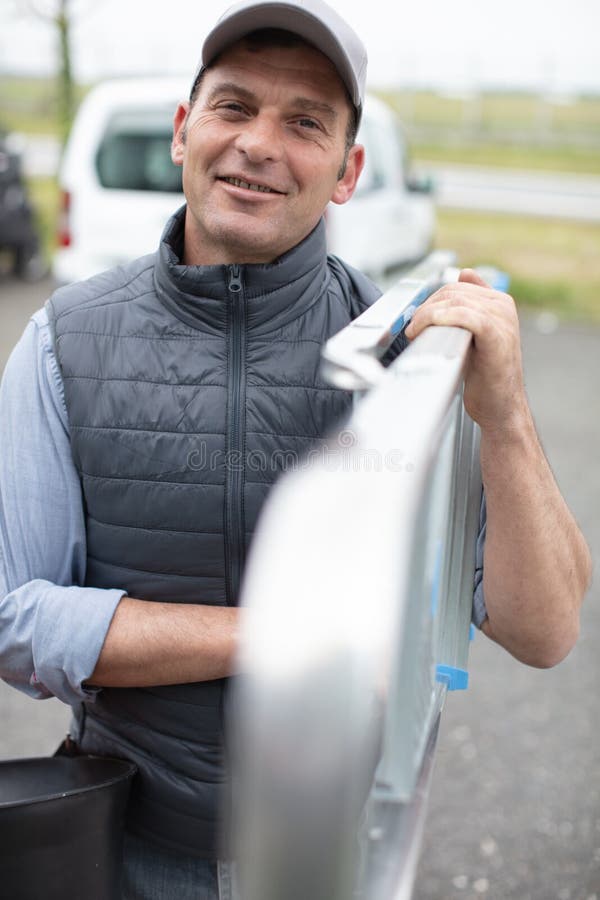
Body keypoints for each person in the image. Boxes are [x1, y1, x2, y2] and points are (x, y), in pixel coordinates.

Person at [0, 0, 591, 897]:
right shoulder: (63, 339)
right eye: (233, 107)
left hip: (343, 857)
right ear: (182, 132)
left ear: (348, 172)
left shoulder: (410, 355)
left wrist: (504, 411)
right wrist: (283, 635)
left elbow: (543, 630)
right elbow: (15, 616)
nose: (258, 144)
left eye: (304, 122)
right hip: (126, 851)